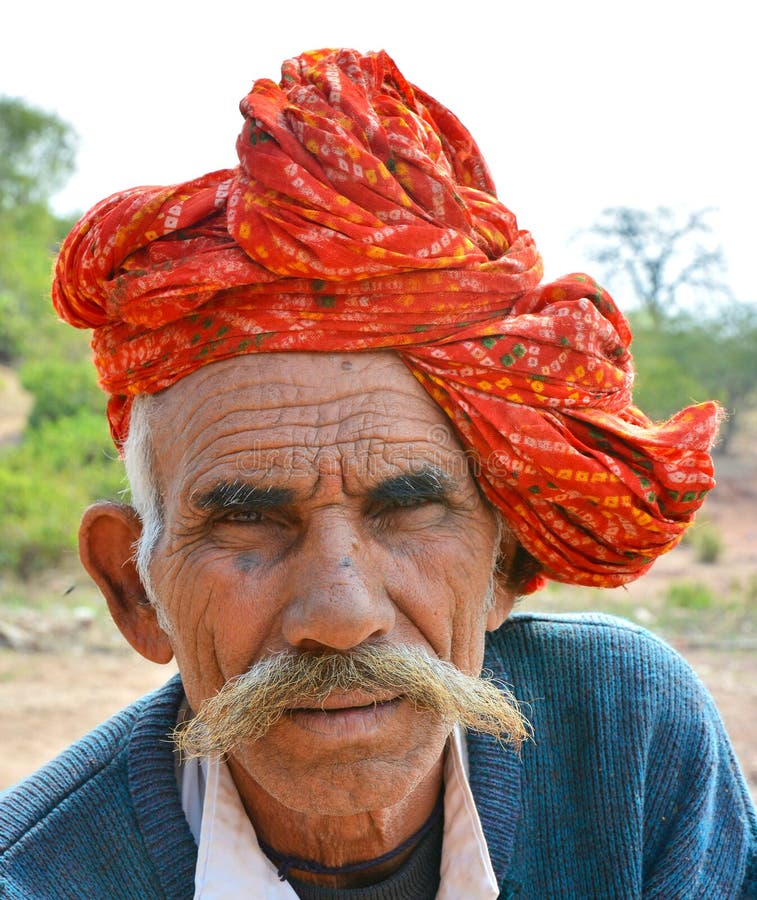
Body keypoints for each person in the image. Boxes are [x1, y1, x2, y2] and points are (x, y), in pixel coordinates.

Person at [1, 48, 754, 899]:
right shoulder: (34, 878)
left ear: (503, 563)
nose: (342, 616)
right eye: (248, 522)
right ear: (135, 591)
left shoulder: (628, 741)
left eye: (408, 511)